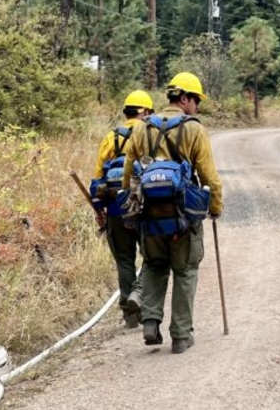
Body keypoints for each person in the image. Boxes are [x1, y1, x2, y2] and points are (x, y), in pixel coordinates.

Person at [122, 72, 223, 354]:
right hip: (183, 215)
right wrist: (214, 207)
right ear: (184, 98)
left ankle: (151, 323)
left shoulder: (142, 128)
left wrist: (131, 210)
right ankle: (180, 336)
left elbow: (129, 173)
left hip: (149, 214)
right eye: (196, 100)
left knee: (154, 265)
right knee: (185, 270)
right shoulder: (194, 129)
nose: (198, 106)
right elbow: (209, 177)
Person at [92, 89, 154, 328]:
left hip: (116, 210)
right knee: (153, 258)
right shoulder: (150, 135)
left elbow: (98, 178)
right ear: (145, 112)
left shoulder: (112, 137)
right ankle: (145, 305)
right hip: (144, 208)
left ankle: (130, 314)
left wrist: (99, 210)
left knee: (125, 261)